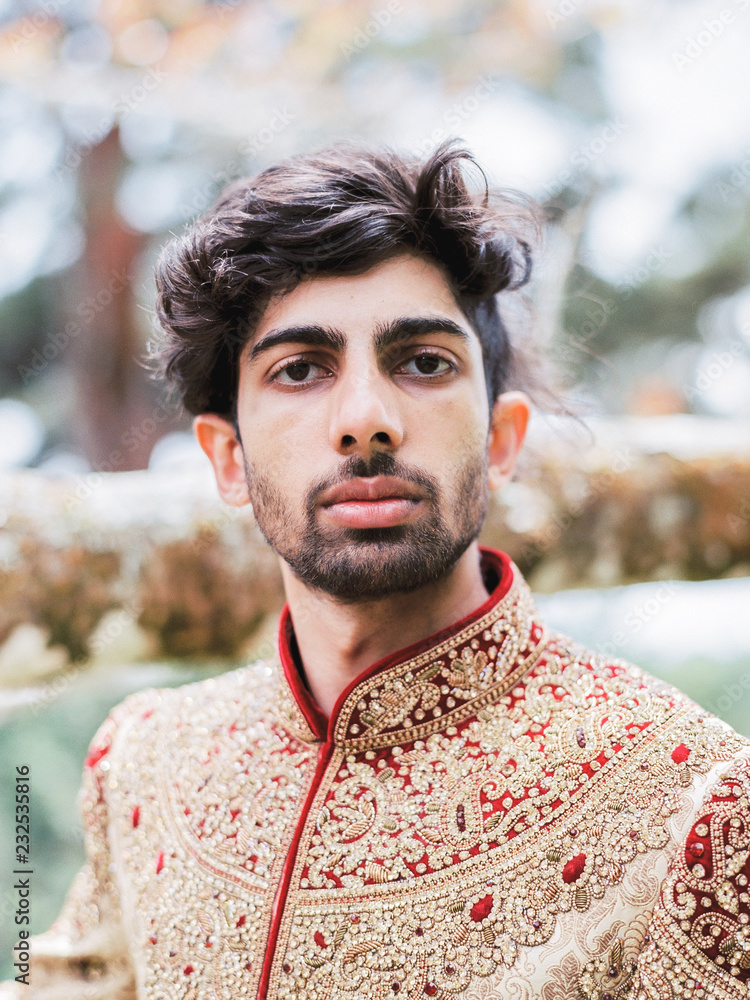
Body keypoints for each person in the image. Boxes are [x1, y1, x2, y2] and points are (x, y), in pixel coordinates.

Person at [3, 140, 749, 1000]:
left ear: (501, 440)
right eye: (300, 370)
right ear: (228, 459)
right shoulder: (146, 764)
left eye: (424, 362)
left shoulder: (695, 807)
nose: (366, 418)